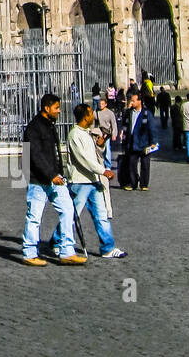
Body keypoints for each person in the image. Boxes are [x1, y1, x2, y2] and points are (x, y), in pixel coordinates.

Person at [21, 93, 84, 266]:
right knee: (34, 217)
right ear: (47, 108)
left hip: (55, 178)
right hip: (38, 180)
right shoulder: (33, 128)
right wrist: (51, 175)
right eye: (56, 108)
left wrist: (59, 174)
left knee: (68, 210)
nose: (59, 111)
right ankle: (29, 253)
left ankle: (67, 251)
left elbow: (54, 153)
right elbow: (34, 155)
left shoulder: (50, 125)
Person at [65, 104, 126, 259]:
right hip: (80, 182)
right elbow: (84, 160)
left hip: (93, 180)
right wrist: (103, 171)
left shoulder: (87, 133)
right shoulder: (74, 135)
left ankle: (107, 248)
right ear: (85, 116)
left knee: (101, 215)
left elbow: (93, 155)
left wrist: (100, 146)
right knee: (72, 217)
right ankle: (58, 242)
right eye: (91, 113)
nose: (94, 116)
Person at [122, 90, 157, 190]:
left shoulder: (147, 113)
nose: (131, 103)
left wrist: (153, 142)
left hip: (144, 142)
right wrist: (123, 137)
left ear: (139, 101)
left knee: (145, 164)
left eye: (133, 101)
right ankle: (132, 183)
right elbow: (125, 125)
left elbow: (152, 128)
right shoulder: (129, 113)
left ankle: (144, 184)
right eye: (131, 101)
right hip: (132, 142)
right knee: (132, 164)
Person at [93, 97, 117, 169]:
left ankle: (108, 165)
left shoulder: (110, 113)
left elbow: (114, 124)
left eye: (102, 104)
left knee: (107, 149)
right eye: (99, 104)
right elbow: (92, 122)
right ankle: (100, 163)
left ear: (106, 104)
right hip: (100, 132)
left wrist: (114, 134)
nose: (101, 105)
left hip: (108, 133)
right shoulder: (96, 112)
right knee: (99, 149)